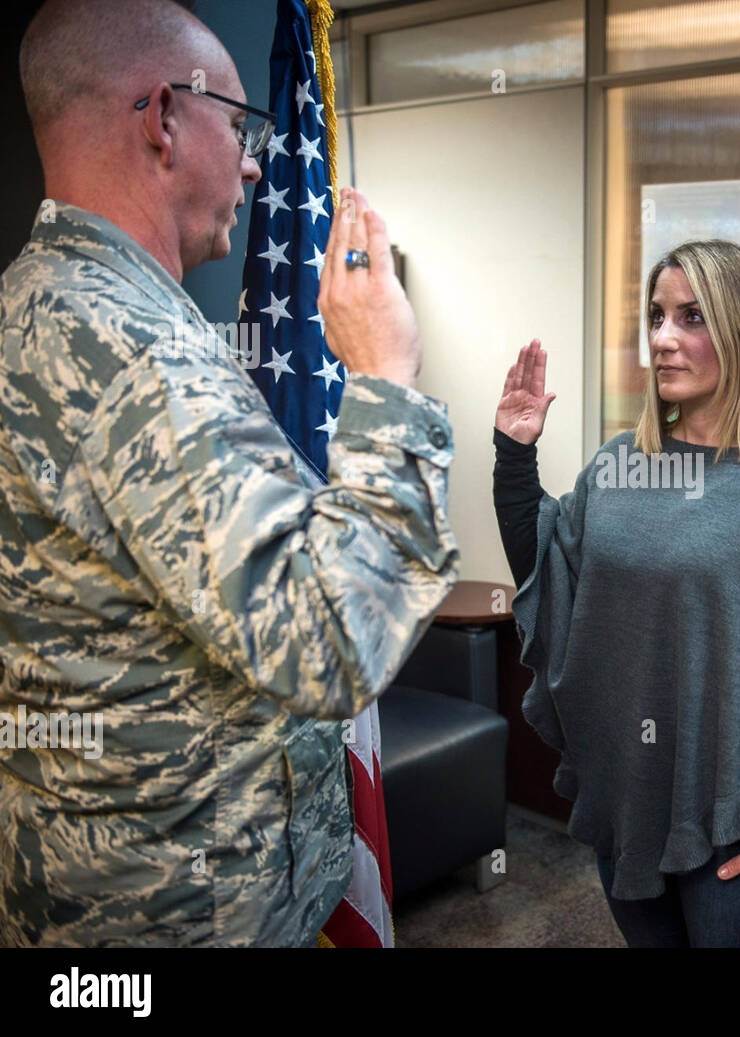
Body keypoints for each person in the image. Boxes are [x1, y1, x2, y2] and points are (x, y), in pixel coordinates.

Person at [0, 0, 458, 946]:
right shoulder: (134, 352)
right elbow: (331, 642)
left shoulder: (34, 302)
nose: (257, 162)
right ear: (164, 117)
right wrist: (385, 379)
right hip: (185, 914)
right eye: (243, 128)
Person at [493, 240, 740, 947]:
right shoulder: (620, 464)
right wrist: (513, 453)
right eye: (656, 315)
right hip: (633, 797)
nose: (662, 338)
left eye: (692, 317)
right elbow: (554, 575)